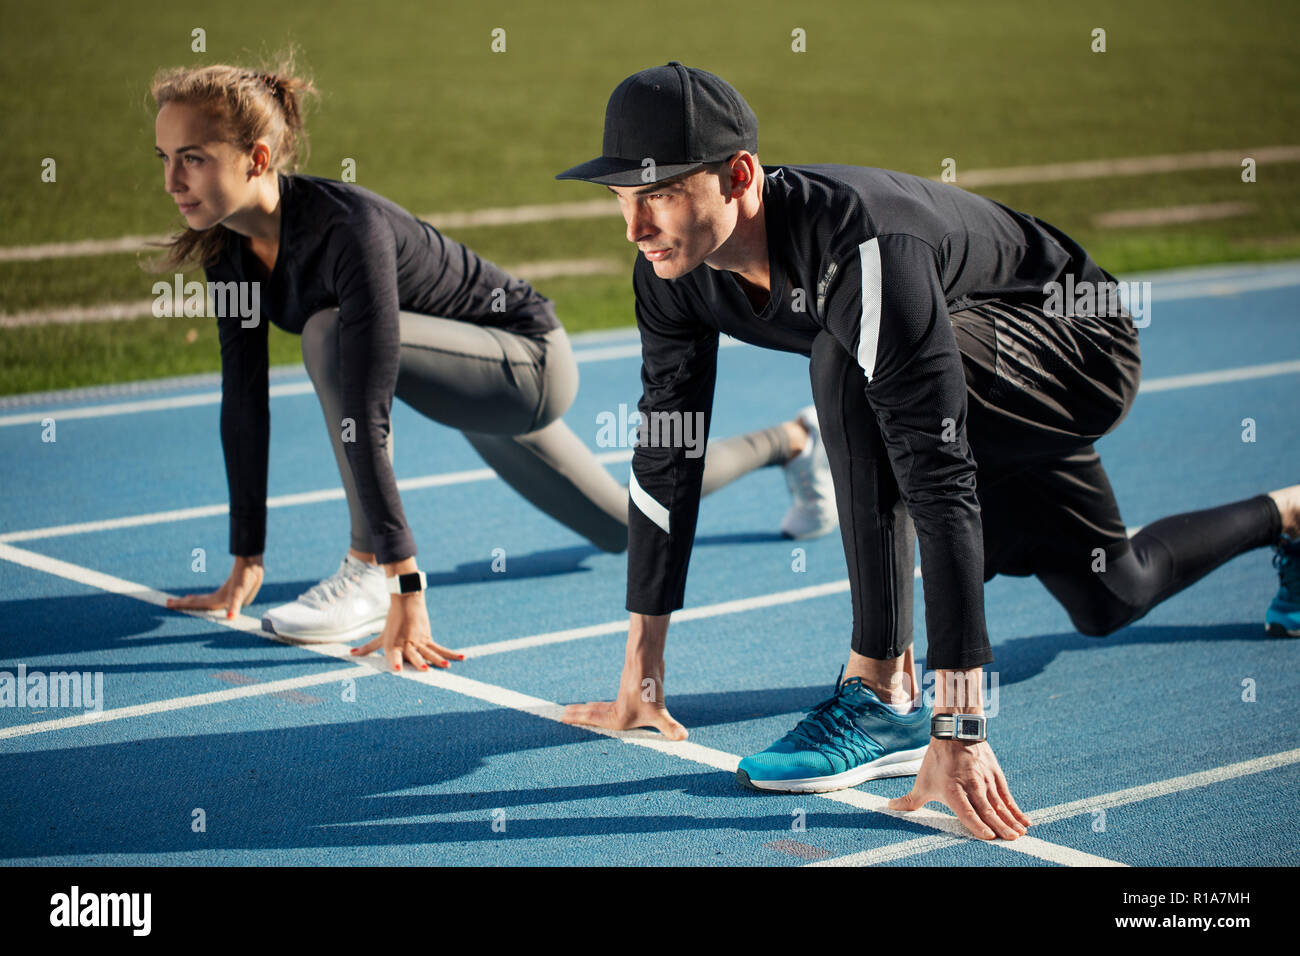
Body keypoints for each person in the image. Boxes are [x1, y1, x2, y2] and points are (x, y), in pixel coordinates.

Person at [555, 61, 1300, 841]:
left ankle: (881, 694)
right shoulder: (671, 274)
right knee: (1113, 595)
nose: (635, 229)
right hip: (961, 377)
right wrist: (645, 671)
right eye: (622, 200)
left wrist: (962, 727)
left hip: (1074, 350)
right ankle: (1285, 515)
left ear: (739, 175)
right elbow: (669, 453)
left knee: (844, 364)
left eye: (660, 196)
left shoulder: (860, 249)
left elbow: (937, 474)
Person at [151, 57, 838, 669]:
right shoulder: (230, 253)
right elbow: (243, 398)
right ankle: (794, 441)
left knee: (327, 337)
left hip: (527, 363)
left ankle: (364, 569)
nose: (172, 180)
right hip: (471, 385)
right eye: (163, 158)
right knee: (623, 525)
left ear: (258, 157)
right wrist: (247, 560)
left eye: (193, 157)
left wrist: (401, 580)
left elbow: (366, 402)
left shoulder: (345, 228)